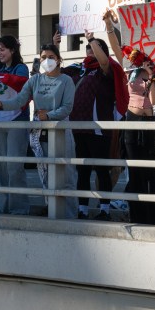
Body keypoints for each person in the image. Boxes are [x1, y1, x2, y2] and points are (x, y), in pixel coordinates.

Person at [0, 43, 76, 218]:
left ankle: (69, 215)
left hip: (60, 131)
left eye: (51, 57)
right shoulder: (34, 80)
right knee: (45, 174)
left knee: (65, 175)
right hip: (39, 133)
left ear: (59, 60)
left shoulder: (66, 80)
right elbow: (19, 100)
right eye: (43, 57)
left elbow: (67, 107)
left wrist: (50, 115)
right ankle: (51, 211)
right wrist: (2, 105)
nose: (47, 60)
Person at [105, 9, 155, 226]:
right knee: (136, 171)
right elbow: (115, 47)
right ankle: (138, 217)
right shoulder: (131, 64)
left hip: (153, 121)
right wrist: (108, 25)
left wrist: (153, 74)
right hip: (132, 120)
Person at [67, 33, 127, 219]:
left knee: (102, 170)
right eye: (88, 48)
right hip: (78, 128)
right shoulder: (79, 70)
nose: (90, 51)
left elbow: (104, 62)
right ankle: (82, 210)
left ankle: (104, 210)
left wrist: (93, 40)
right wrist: (55, 45)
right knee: (82, 171)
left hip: (99, 128)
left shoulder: (105, 70)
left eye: (94, 48)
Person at [0, 35, 31, 215]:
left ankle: (19, 208)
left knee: (14, 166)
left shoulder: (21, 68)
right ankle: (1, 208)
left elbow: (20, 84)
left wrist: (1, 78)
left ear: (13, 50)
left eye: (3, 49)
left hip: (17, 119)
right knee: (1, 167)